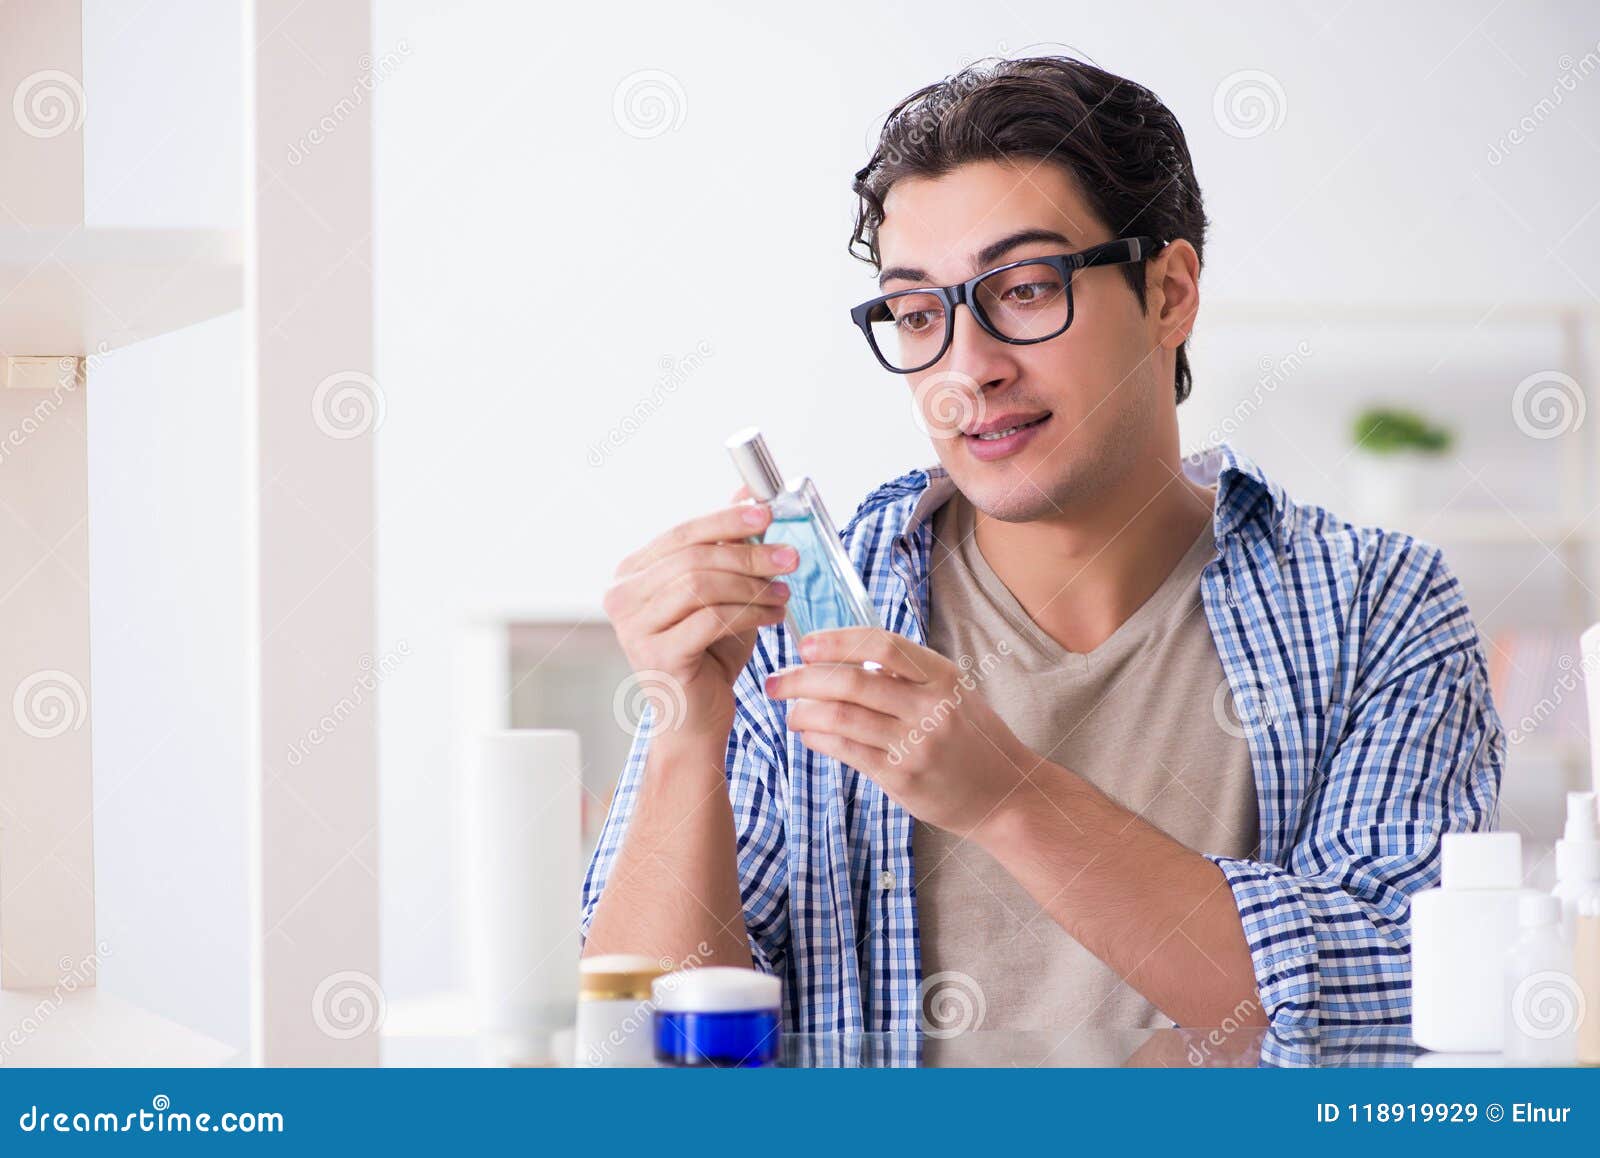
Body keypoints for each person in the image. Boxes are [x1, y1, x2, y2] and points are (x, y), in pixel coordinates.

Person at [579, 54, 1504, 1037]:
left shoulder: (1377, 608)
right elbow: (638, 1059)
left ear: (1169, 293)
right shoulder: (788, 625)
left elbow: (1405, 1016)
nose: (966, 370)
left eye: (1021, 289)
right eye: (919, 314)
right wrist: (686, 731)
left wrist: (1010, 801)